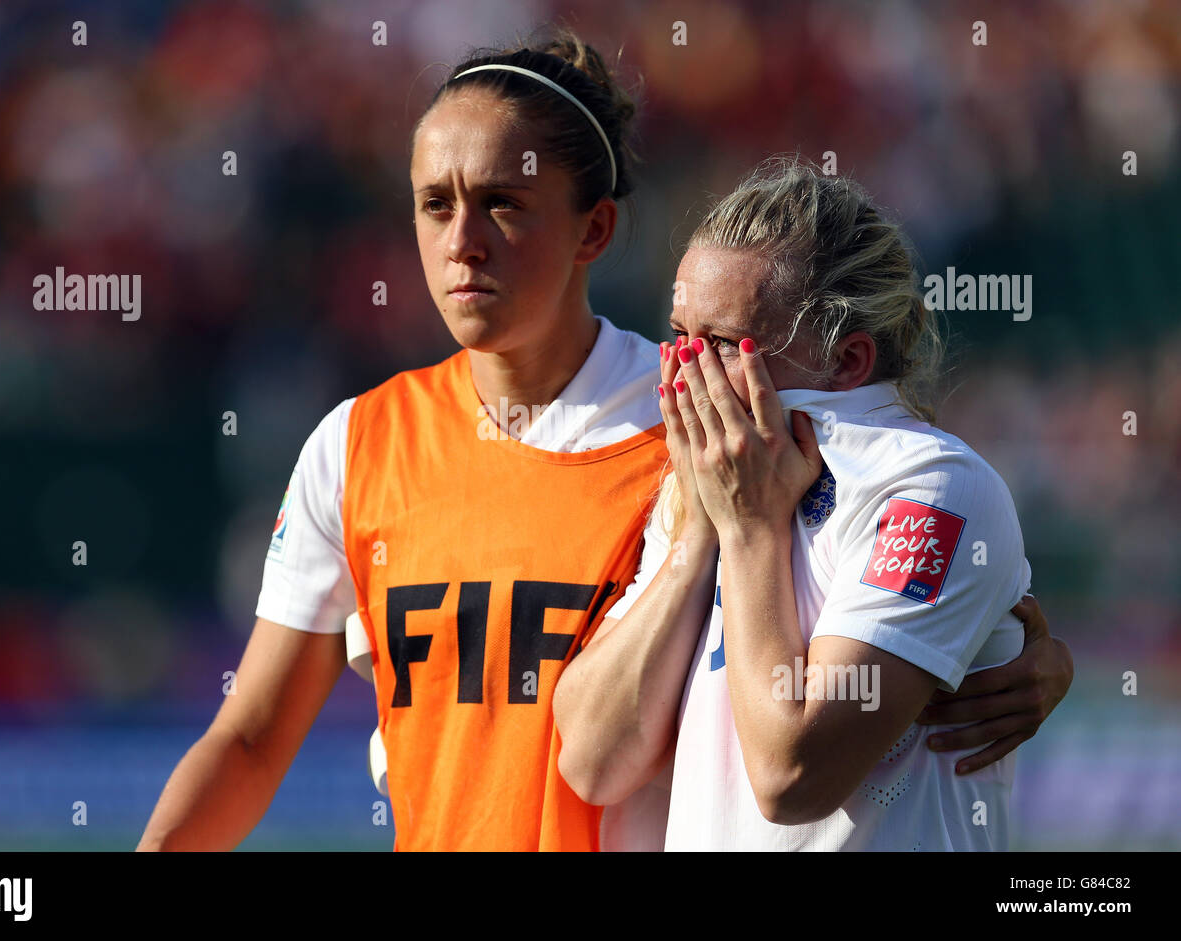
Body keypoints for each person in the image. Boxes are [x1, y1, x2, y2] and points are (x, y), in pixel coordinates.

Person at [137, 34, 1070, 853]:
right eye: (433, 203)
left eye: (503, 201)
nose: (462, 241)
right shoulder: (357, 443)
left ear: (596, 229)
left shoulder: (696, 425)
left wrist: (1023, 653)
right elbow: (251, 738)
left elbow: (888, 538)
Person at [555, 157, 1068, 850]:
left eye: (717, 345)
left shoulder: (933, 486)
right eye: (678, 336)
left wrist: (749, 533)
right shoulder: (700, 486)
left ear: (849, 361)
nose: (680, 374)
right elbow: (591, 760)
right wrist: (697, 537)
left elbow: (790, 774)